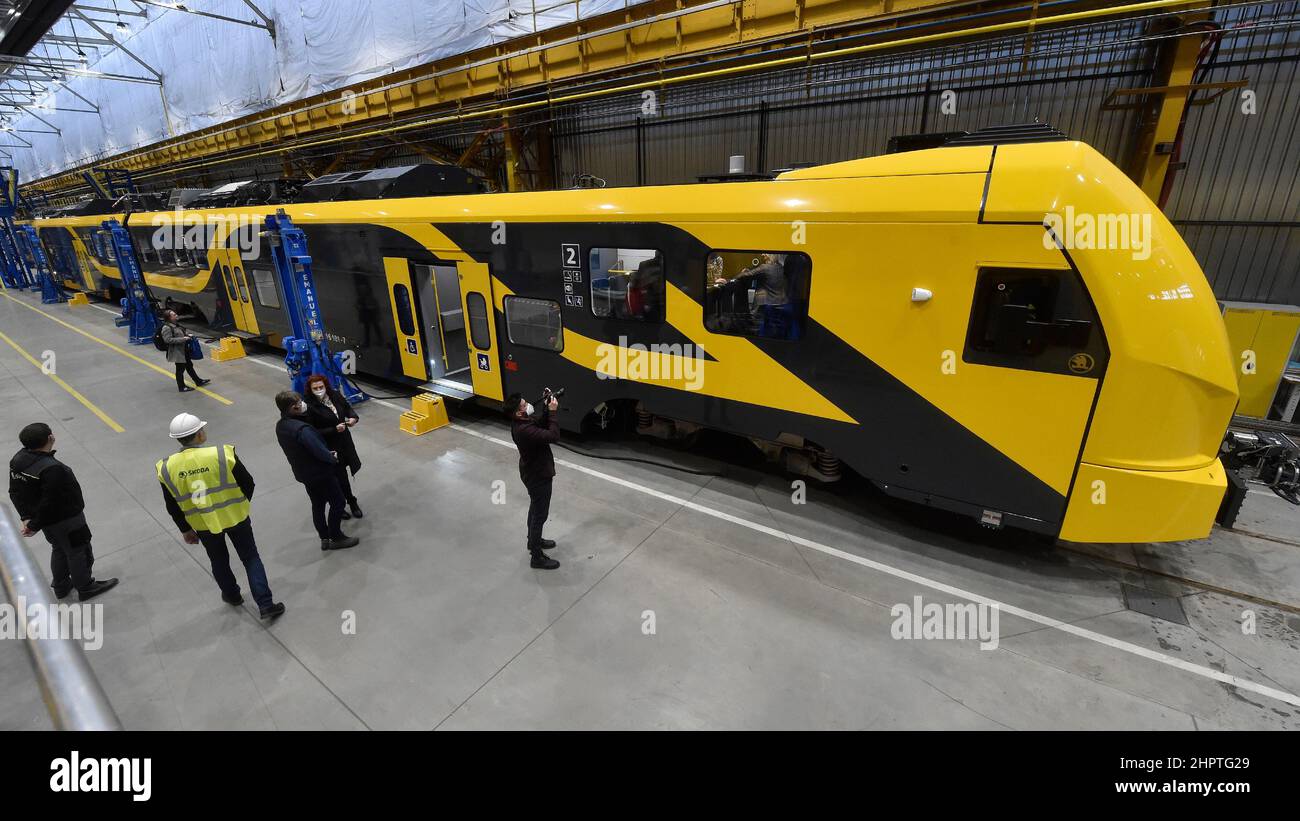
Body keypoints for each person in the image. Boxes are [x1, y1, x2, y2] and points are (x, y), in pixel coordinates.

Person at [157, 413, 284, 619]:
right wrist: (240, 504)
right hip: (236, 516)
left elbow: (171, 505)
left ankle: (232, 595)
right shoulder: (222, 453)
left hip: (204, 524)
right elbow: (248, 483)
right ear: (199, 435)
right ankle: (265, 604)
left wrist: (185, 529)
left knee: (218, 560)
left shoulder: (166, 467)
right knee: (250, 558)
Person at [8, 423, 118, 602]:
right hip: (67, 519)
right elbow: (50, 502)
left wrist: (28, 518)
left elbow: (15, 492)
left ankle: (61, 586)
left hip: (46, 522)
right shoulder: (51, 468)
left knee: (59, 549)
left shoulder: (18, 460)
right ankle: (85, 587)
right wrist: (34, 525)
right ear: (50, 438)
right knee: (79, 551)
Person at [274, 390, 359, 551]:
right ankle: (336, 536)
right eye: (299, 403)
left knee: (317, 504)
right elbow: (319, 451)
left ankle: (324, 537)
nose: (303, 404)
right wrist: (332, 457)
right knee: (338, 502)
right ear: (294, 408)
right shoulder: (303, 429)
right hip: (321, 473)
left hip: (304, 473)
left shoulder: (281, 426)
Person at [505, 390, 561, 570]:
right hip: (538, 475)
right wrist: (553, 413)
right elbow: (553, 436)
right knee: (540, 515)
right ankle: (536, 557)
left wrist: (546, 407)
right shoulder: (524, 430)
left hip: (531, 471)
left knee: (535, 507)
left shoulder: (522, 422)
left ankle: (533, 541)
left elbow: (539, 422)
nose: (527, 404)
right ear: (518, 412)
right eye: (523, 405)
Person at [303, 374, 363, 520]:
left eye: (321, 387)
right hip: (329, 447)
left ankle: (351, 501)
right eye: (315, 388)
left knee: (344, 475)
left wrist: (353, 417)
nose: (319, 390)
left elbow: (347, 408)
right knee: (337, 478)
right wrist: (334, 430)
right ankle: (340, 505)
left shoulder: (334, 395)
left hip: (344, 443)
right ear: (310, 389)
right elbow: (312, 431)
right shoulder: (309, 406)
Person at [159, 309, 210, 393]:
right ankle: (181, 387)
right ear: (169, 318)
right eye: (174, 315)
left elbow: (179, 333)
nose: (176, 315)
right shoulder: (166, 328)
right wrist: (183, 339)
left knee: (189, 366)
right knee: (180, 370)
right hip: (177, 352)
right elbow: (168, 340)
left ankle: (198, 381)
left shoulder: (176, 325)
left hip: (184, 350)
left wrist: (187, 335)